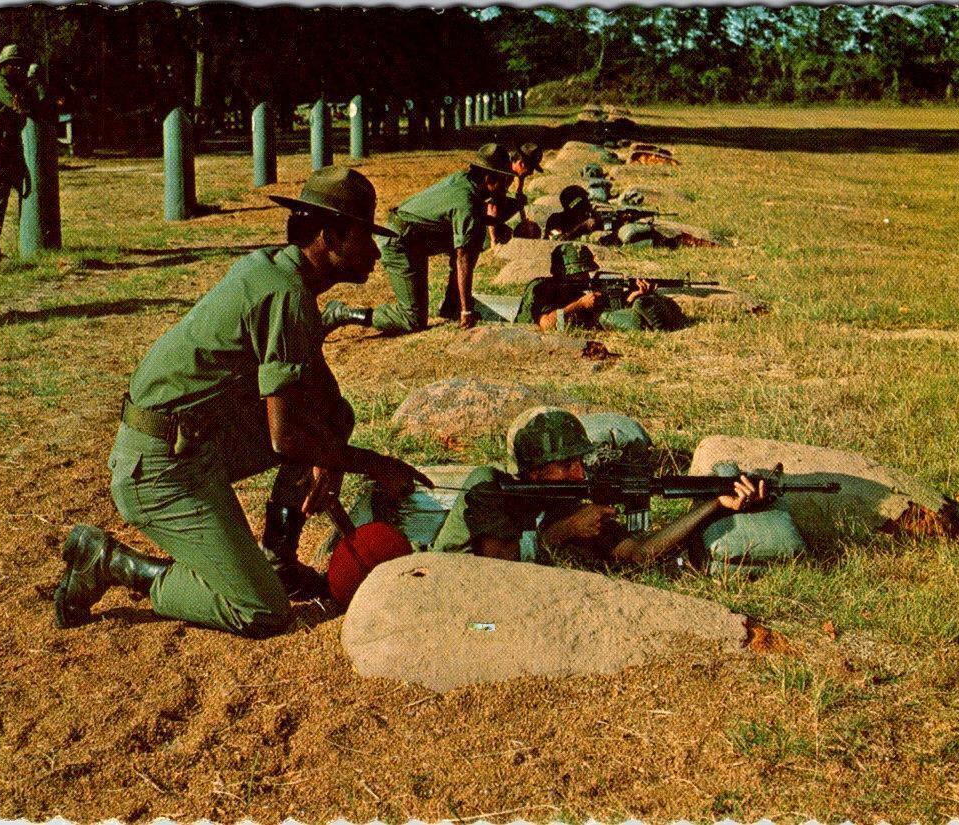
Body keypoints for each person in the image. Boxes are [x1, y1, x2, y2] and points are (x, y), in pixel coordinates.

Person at [53, 167, 431, 637]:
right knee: (262, 610)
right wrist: (376, 465)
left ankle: (279, 560)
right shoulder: (285, 292)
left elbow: (323, 400)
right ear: (331, 236)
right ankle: (116, 564)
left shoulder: (281, 271)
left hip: (193, 442)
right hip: (159, 469)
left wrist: (332, 458)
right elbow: (285, 437)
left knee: (334, 416)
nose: (375, 252)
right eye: (364, 237)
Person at [430, 407, 767, 566]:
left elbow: (640, 554)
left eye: (580, 461)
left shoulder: (568, 505)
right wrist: (567, 530)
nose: (580, 473)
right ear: (534, 473)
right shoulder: (489, 488)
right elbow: (496, 564)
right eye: (566, 465)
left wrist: (713, 503)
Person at [321, 143, 516, 336]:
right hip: (399, 243)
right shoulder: (465, 199)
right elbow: (462, 255)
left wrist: (495, 223)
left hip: (414, 238)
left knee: (476, 233)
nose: (508, 185)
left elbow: (463, 217)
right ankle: (343, 313)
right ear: (489, 179)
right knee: (412, 319)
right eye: (505, 179)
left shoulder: (464, 181)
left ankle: (452, 305)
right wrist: (467, 312)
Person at [515, 242, 687, 332]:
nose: (585, 277)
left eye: (586, 272)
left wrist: (631, 297)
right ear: (561, 272)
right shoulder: (543, 288)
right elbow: (547, 324)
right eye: (578, 273)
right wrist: (580, 304)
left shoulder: (576, 288)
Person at [0, 45, 32, 261]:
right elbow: (20, 106)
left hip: (7, 148)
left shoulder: (10, 85)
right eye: (14, 65)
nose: (19, 69)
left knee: (1, 199)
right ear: (5, 66)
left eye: (20, 65)